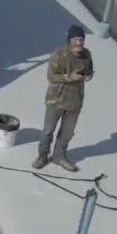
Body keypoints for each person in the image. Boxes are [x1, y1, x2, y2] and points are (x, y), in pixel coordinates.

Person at [33, 24, 94, 172]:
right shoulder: (58, 55)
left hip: (74, 103)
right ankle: (42, 155)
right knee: (48, 130)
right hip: (56, 101)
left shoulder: (87, 55)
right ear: (70, 40)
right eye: (76, 39)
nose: (79, 43)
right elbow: (51, 76)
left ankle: (59, 156)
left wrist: (88, 76)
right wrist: (69, 77)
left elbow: (90, 71)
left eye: (81, 39)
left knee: (67, 134)